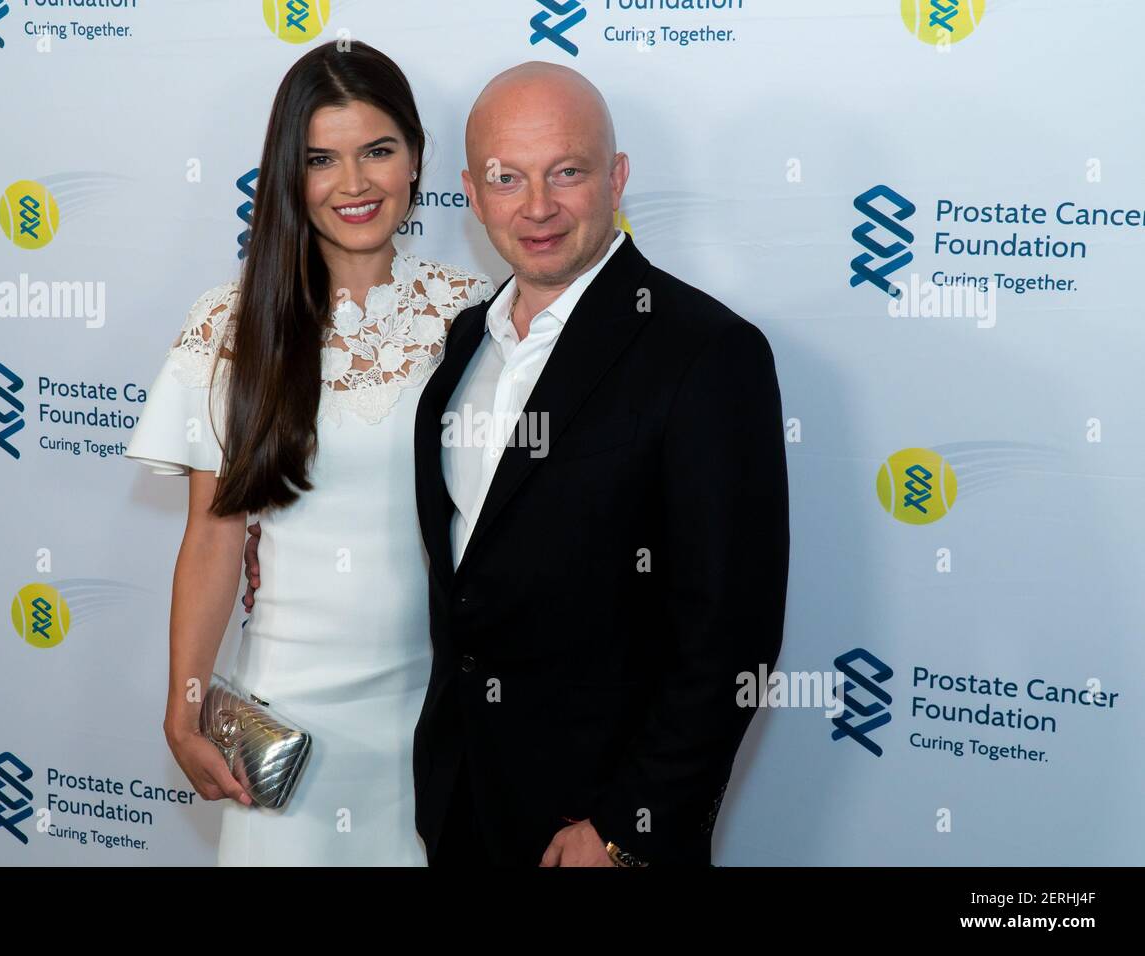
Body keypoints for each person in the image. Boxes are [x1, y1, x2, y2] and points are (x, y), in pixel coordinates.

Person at [246, 61, 790, 867]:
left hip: (598, 832)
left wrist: (626, 827)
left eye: (567, 172)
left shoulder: (705, 352)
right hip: (459, 808)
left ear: (618, 178)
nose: (537, 207)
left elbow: (731, 636)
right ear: (470, 190)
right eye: (508, 178)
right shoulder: (462, 344)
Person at [124, 40, 493, 866]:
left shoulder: (478, 317)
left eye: (378, 152)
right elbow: (216, 536)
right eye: (321, 159)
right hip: (284, 728)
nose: (353, 185)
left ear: (416, 159)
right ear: (286, 173)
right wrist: (184, 710)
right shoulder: (230, 325)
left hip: (444, 715)